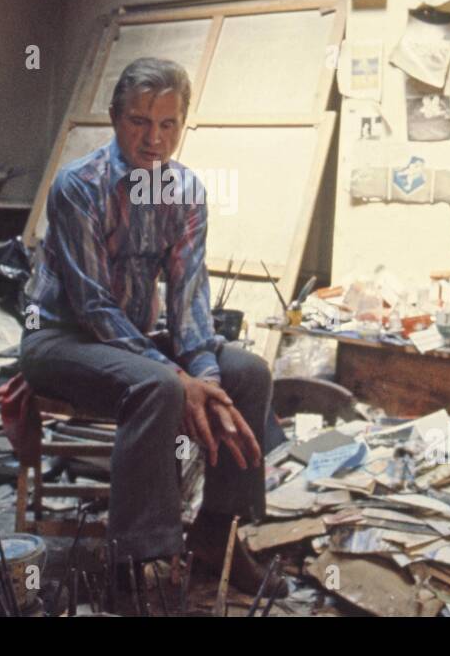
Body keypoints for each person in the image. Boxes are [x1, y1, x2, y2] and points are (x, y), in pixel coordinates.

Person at [20, 56, 283, 599]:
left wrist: (206, 377)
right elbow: (93, 306)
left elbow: (189, 301)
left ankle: (218, 535)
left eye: (168, 125)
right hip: (62, 339)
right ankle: (131, 564)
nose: (154, 139)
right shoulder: (79, 186)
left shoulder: (184, 190)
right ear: (116, 120)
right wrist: (175, 374)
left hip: (135, 341)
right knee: (159, 384)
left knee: (248, 372)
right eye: (140, 122)